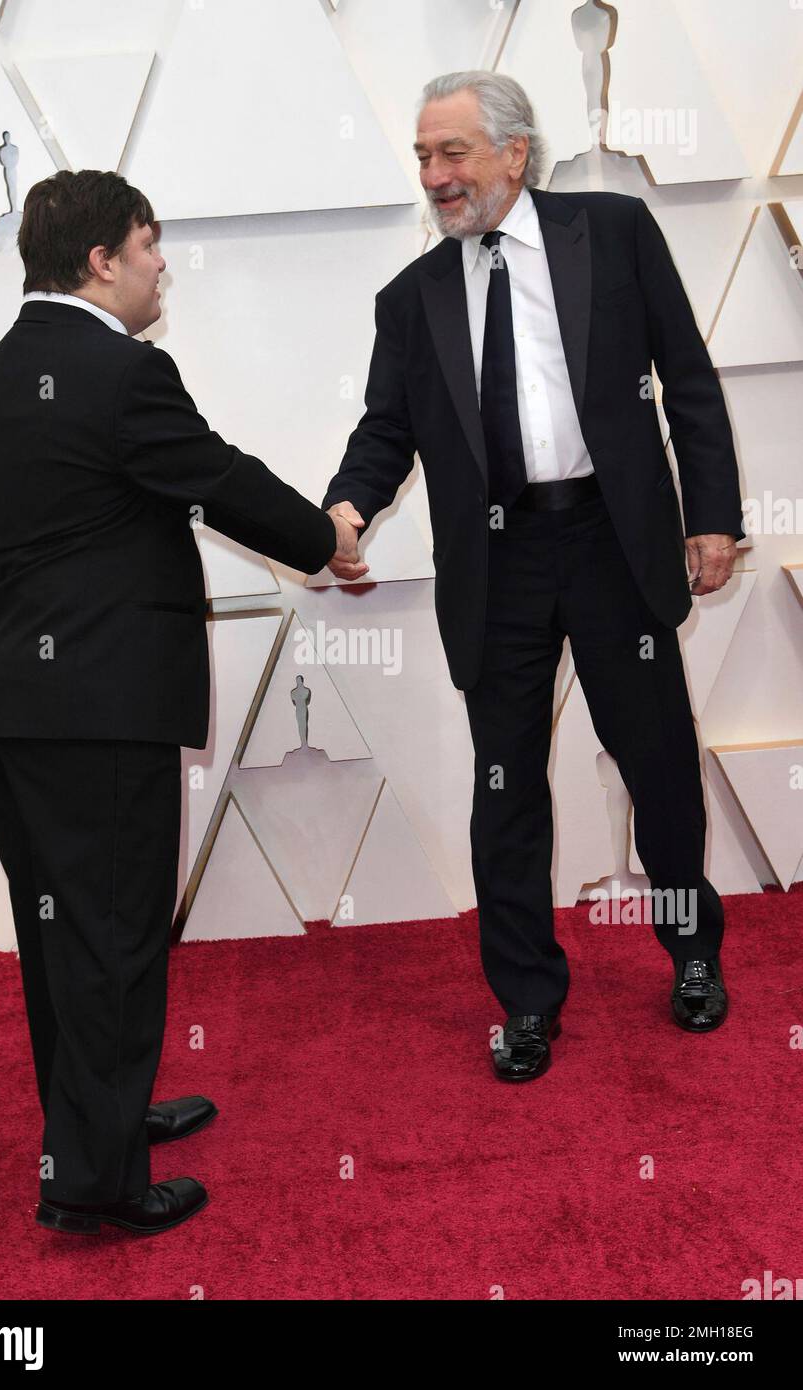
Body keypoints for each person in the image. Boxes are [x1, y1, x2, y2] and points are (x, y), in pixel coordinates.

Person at [0, 169, 362, 1234]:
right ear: (100, 261)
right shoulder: (121, 374)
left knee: (63, 937)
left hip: (12, 705)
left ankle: (101, 1120)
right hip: (98, 708)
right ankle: (95, 1186)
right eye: (147, 244)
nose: (159, 262)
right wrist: (325, 541)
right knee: (115, 935)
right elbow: (216, 477)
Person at [323, 71, 744, 1082]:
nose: (433, 175)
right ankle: (523, 999)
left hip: (610, 539)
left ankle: (690, 953)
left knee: (657, 768)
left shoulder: (613, 232)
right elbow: (387, 428)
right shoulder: (412, 297)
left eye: (450, 152)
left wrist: (714, 517)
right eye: (423, 156)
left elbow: (684, 377)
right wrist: (345, 505)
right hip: (497, 560)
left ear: (514, 151)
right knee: (502, 788)